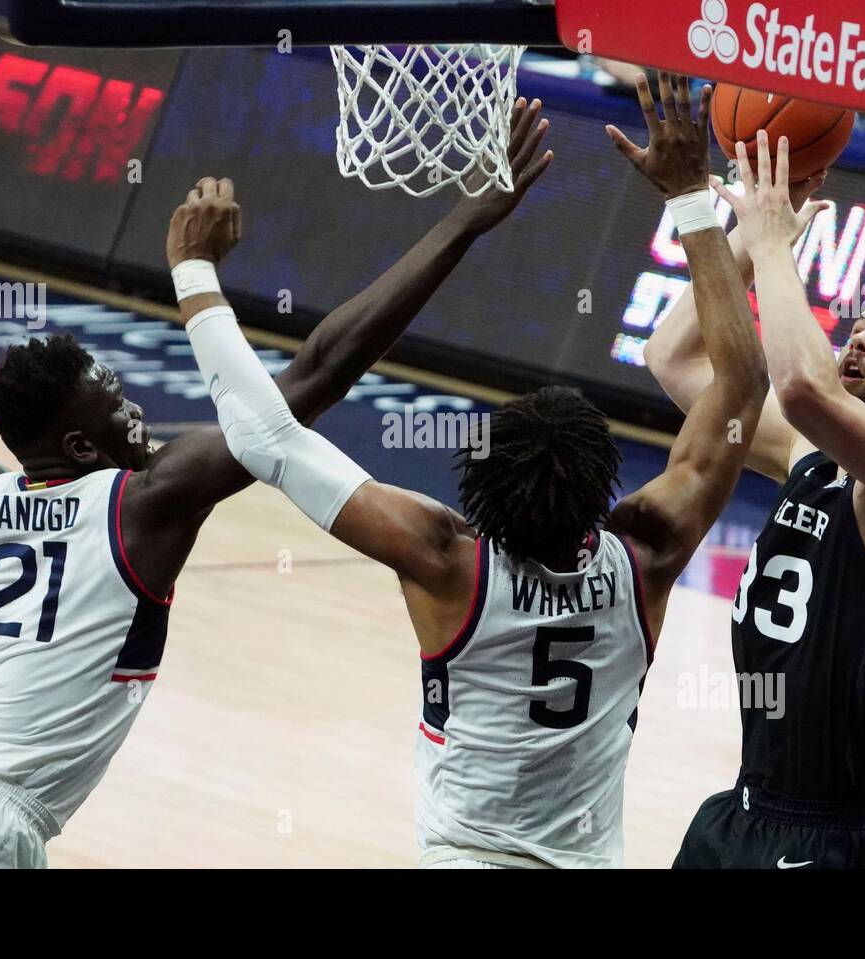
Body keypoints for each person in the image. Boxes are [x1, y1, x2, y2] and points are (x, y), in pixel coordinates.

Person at [0, 99, 553, 868]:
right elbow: (316, 374)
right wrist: (464, 223)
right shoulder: (145, 502)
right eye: (119, 406)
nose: (140, 413)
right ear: (81, 443)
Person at [181, 73, 768, 868]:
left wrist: (193, 272)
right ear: (607, 489)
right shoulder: (648, 553)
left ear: (480, 485)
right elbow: (739, 384)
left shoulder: (444, 557)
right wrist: (692, 195)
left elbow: (265, 435)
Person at [647, 132, 865, 868]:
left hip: (837, 839)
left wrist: (774, 247)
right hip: (738, 815)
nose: (857, 341)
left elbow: (802, 388)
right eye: (856, 329)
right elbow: (673, 358)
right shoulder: (810, 455)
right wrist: (751, 229)